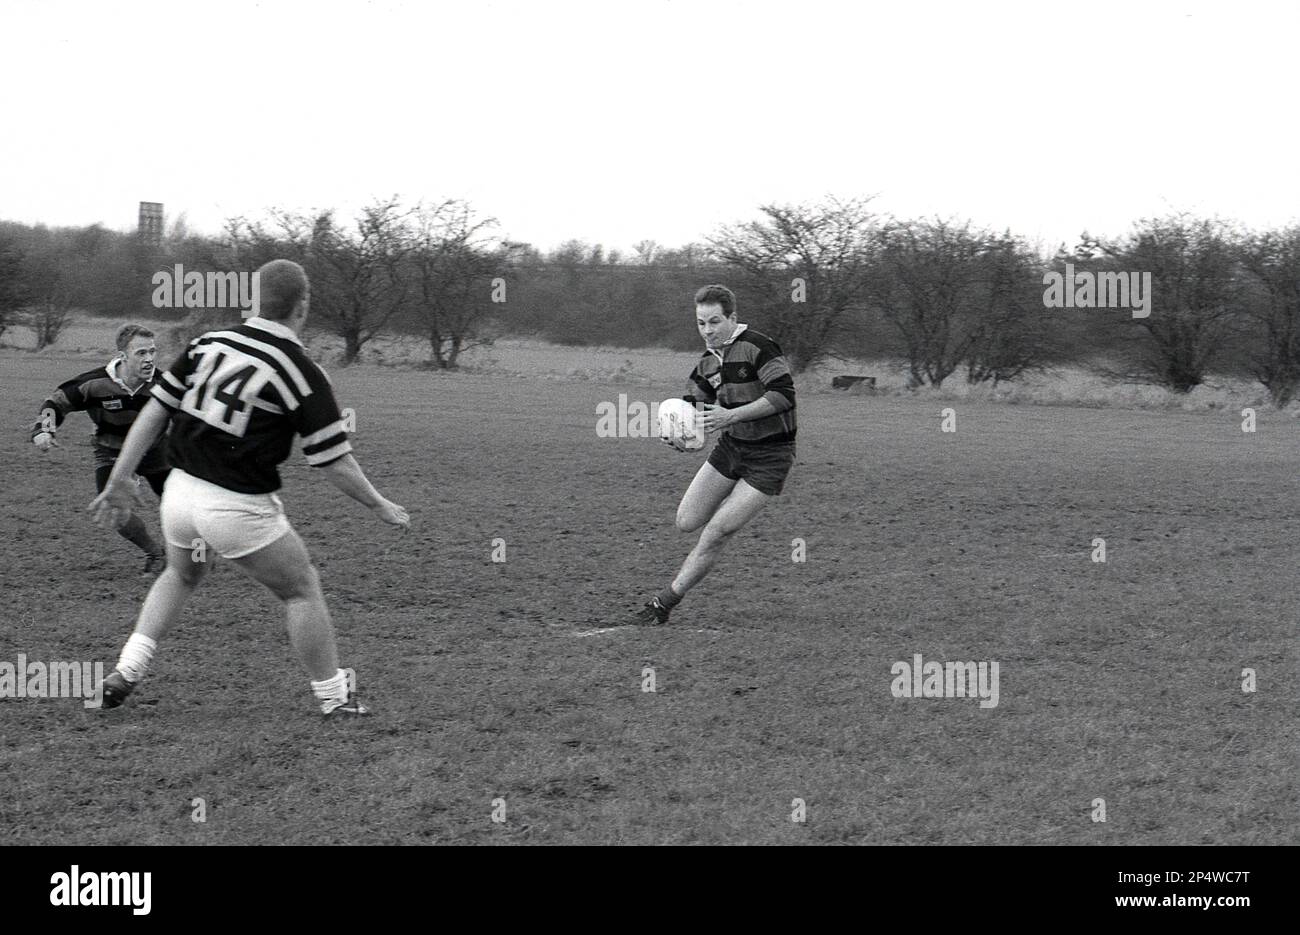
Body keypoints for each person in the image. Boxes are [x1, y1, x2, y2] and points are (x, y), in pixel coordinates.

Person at [89, 259, 410, 716]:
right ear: (303, 306)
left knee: (181, 574)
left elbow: (155, 411)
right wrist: (381, 506)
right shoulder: (301, 370)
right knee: (301, 588)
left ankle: (126, 671)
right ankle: (334, 699)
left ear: (253, 300)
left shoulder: (208, 343)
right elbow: (334, 461)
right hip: (235, 505)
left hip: (180, 494)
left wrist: (120, 477)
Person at [629, 284, 796, 625]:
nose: (707, 331)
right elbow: (692, 411)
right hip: (732, 448)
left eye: (715, 322)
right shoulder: (707, 363)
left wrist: (731, 415)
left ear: (733, 318)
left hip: (770, 457)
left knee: (716, 532)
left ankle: (664, 604)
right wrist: (678, 437)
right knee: (687, 521)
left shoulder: (759, 347)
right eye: (701, 323)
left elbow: (783, 396)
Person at [31, 324, 170, 572]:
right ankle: (155, 553)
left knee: (183, 509)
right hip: (110, 452)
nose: (149, 359)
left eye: (152, 351)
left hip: (157, 452)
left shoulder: (165, 386)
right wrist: (44, 429)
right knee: (115, 512)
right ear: (122, 356)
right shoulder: (94, 383)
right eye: (141, 353)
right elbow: (55, 402)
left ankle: (197, 556)